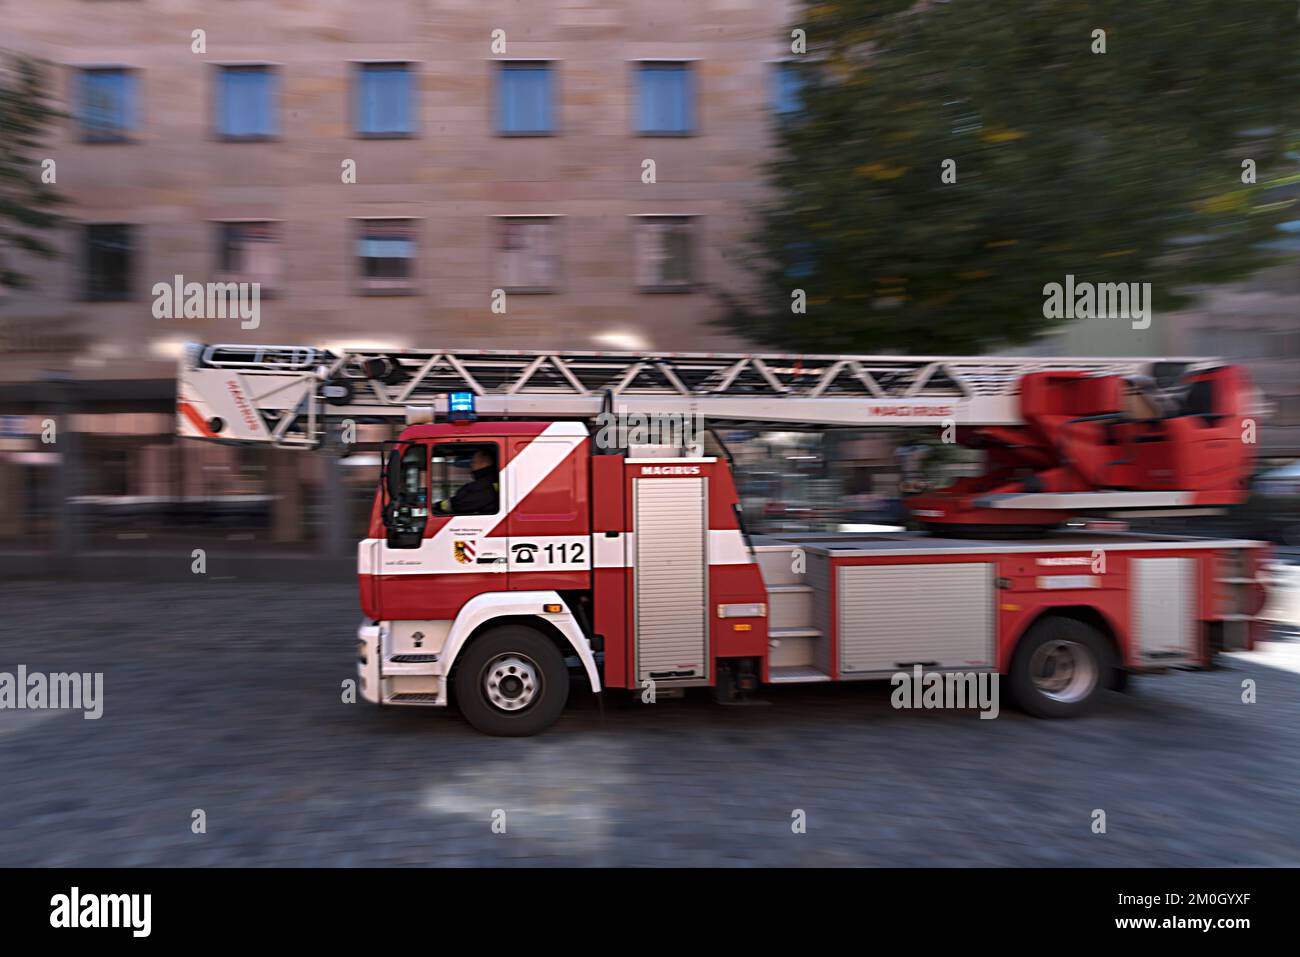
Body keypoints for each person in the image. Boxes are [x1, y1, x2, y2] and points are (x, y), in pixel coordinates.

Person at [432, 448, 498, 515]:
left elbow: (460, 504)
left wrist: (436, 506)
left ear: (485, 463)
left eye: (473, 462)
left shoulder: (483, 485)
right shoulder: (491, 480)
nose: (471, 465)